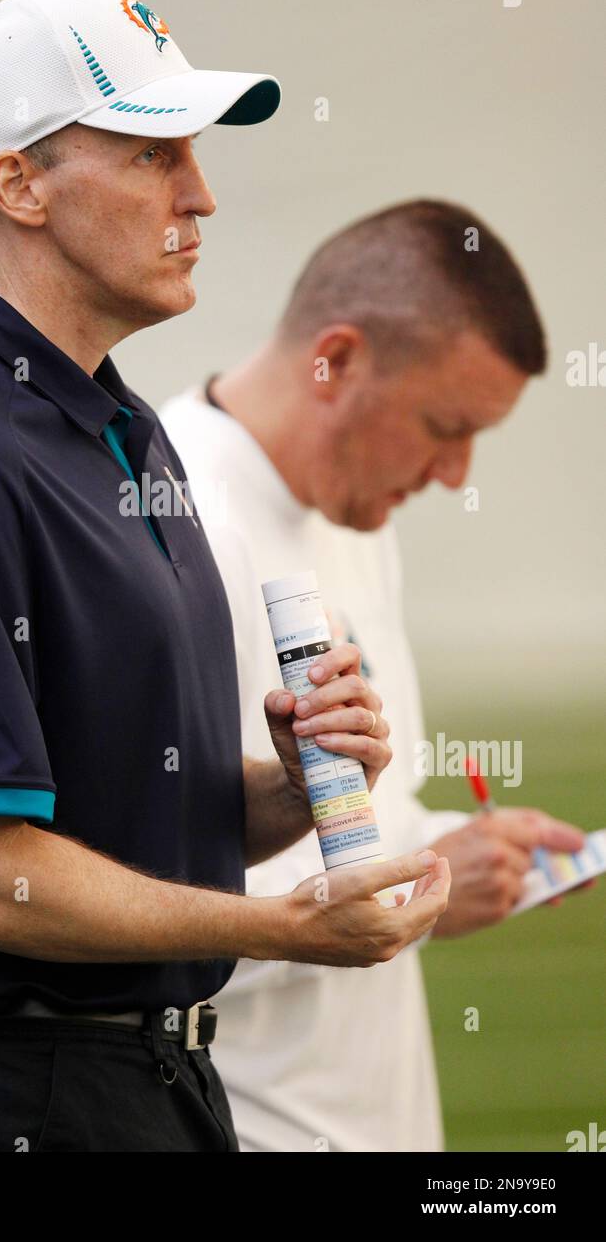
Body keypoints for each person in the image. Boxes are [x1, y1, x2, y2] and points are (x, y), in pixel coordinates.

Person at [0, 0, 450, 1154]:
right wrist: (280, 925)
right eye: (153, 154)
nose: (198, 195)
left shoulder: (115, 425)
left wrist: (290, 783)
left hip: (137, 1084)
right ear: (18, 185)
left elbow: (110, 813)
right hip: (6, 1105)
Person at [159, 199, 589, 1152]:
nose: (454, 472)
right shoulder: (171, 518)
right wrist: (420, 896)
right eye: (445, 426)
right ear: (339, 359)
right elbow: (133, 902)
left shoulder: (359, 519)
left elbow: (352, 829)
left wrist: (447, 850)